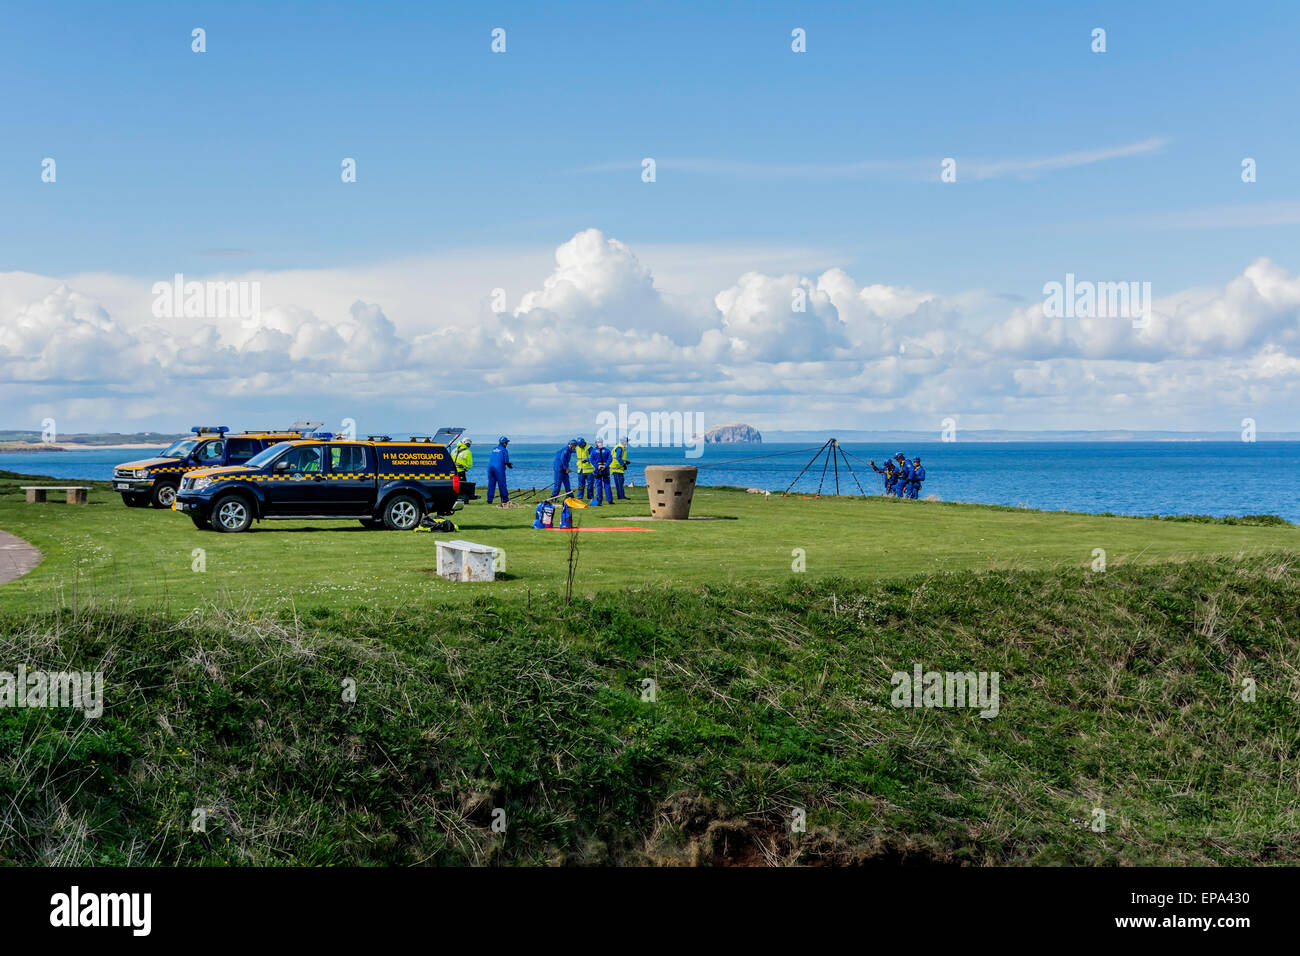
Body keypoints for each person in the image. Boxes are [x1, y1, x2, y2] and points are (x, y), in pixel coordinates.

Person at [486, 436, 512, 505]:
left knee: (491, 484)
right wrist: (509, 465)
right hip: (499, 468)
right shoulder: (504, 450)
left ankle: (489, 499)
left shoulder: (494, 449)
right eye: (506, 443)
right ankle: (505, 500)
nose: (507, 444)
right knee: (502, 484)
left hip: (490, 468)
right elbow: (506, 461)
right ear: (504, 443)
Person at [589, 439, 613, 506]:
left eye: (600, 442)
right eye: (598, 442)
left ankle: (607, 500)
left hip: (603, 469)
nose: (599, 443)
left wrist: (603, 466)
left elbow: (610, 459)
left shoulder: (605, 450)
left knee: (604, 485)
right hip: (600, 469)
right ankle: (603, 500)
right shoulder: (606, 450)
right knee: (601, 485)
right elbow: (591, 459)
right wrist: (599, 466)